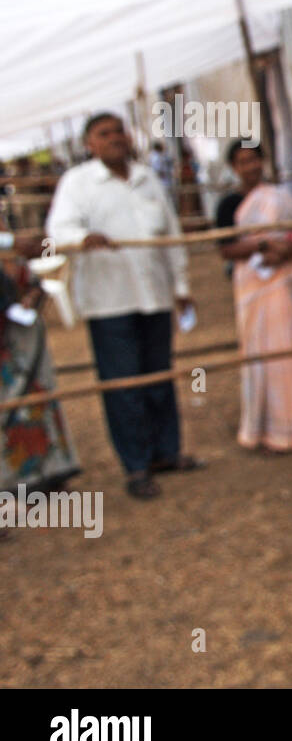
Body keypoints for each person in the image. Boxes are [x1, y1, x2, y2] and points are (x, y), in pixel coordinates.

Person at [46, 113, 201, 500]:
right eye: (104, 133)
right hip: (110, 302)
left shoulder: (147, 178)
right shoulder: (78, 183)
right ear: (90, 144)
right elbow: (58, 231)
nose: (115, 138)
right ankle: (136, 466)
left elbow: (171, 234)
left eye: (119, 130)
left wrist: (180, 285)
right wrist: (84, 237)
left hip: (154, 296)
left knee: (159, 376)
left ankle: (167, 452)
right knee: (123, 386)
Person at [218, 140, 292, 453]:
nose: (250, 166)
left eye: (254, 159)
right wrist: (265, 246)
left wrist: (286, 251)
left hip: (285, 283)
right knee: (265, 356)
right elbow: (225, 248)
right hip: (256, 289)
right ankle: (272, 431)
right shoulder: (229, 205)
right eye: (242, 161)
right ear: (234, 167)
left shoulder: (280, 197)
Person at [0, 248, 80, 495]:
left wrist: (31, 295)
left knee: (36, 409)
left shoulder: (10, 253)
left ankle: (46, 476)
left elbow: (32, 283)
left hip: (25, 347)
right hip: (7, 352)